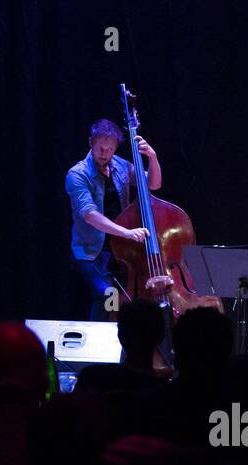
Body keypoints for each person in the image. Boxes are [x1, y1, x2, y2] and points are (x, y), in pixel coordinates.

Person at [65, 118, 161, 321]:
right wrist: (126, 232)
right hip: (90, 252)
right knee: (107, 294)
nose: (105, 154)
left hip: (120, 250)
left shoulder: (120, 165)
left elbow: (153, 184)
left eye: (110, 149)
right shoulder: (77, 174)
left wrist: (152, 157)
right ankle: (97, 344)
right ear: (90, 142)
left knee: (124, 299)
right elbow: (90, 215)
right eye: (101, 148)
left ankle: (117, 340)